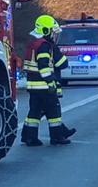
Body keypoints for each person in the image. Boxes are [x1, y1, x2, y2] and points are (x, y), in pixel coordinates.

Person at [20, 15, 77, 146]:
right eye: (52, 32)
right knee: (54, 113)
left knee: (34, 112)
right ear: (46, 31)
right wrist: (51, 83)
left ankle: (29, 137)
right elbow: (44, 66)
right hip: (44, 86)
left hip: (33, 87)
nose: (54, 35)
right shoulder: (44, 46)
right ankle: (57, 137)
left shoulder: (34, 44)